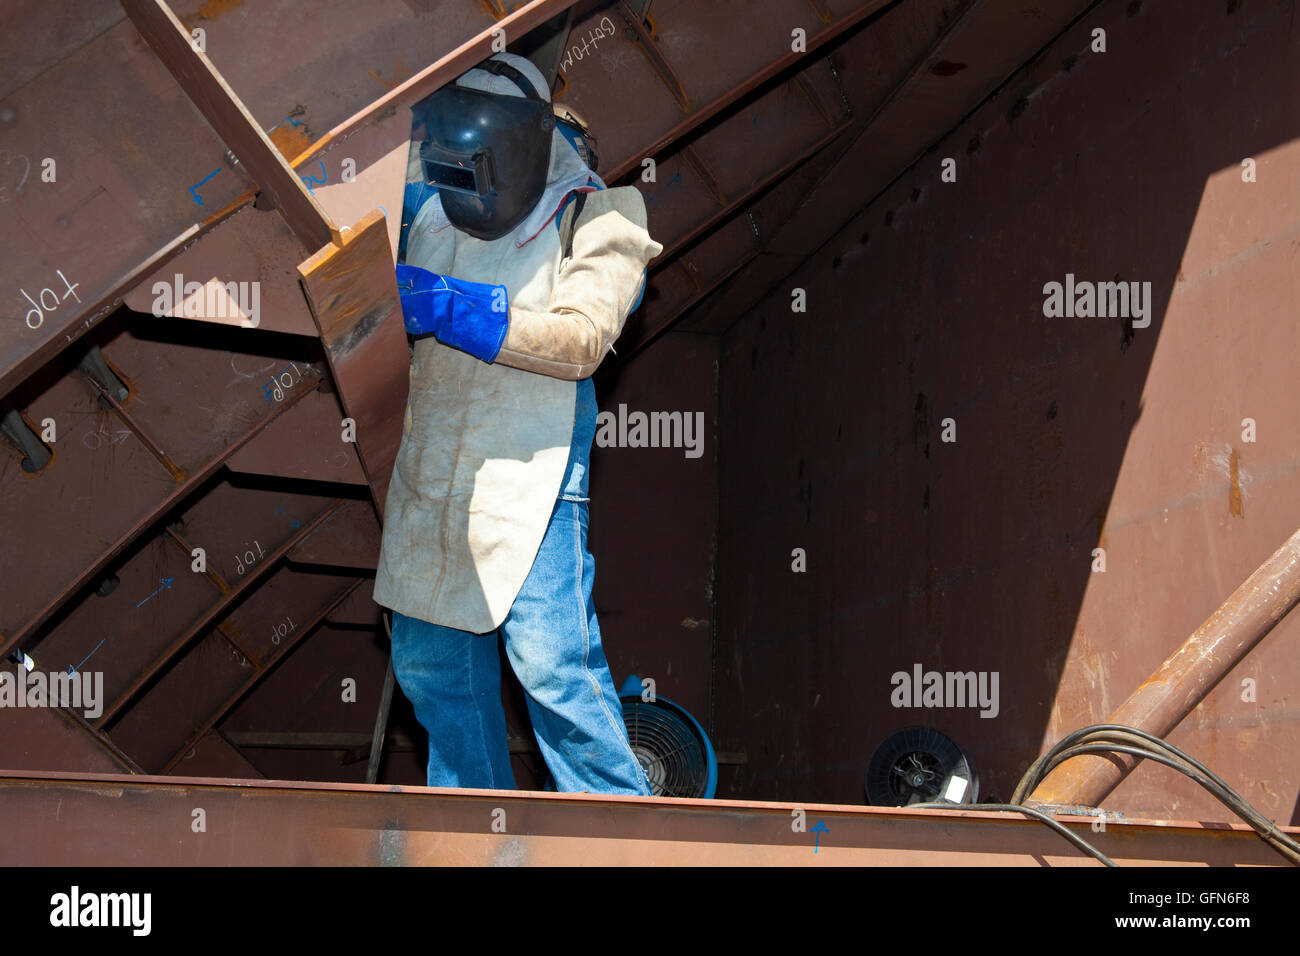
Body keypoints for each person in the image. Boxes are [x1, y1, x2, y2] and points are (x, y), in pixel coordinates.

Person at [372, 51, 662, 795]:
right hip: (435, 471)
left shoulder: (600, 212)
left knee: (552, 663)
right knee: (432, 669)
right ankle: (474, 832)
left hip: (531, 467)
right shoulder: (434, 203)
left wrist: (456, 308)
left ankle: (618, 827)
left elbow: (583, 338)